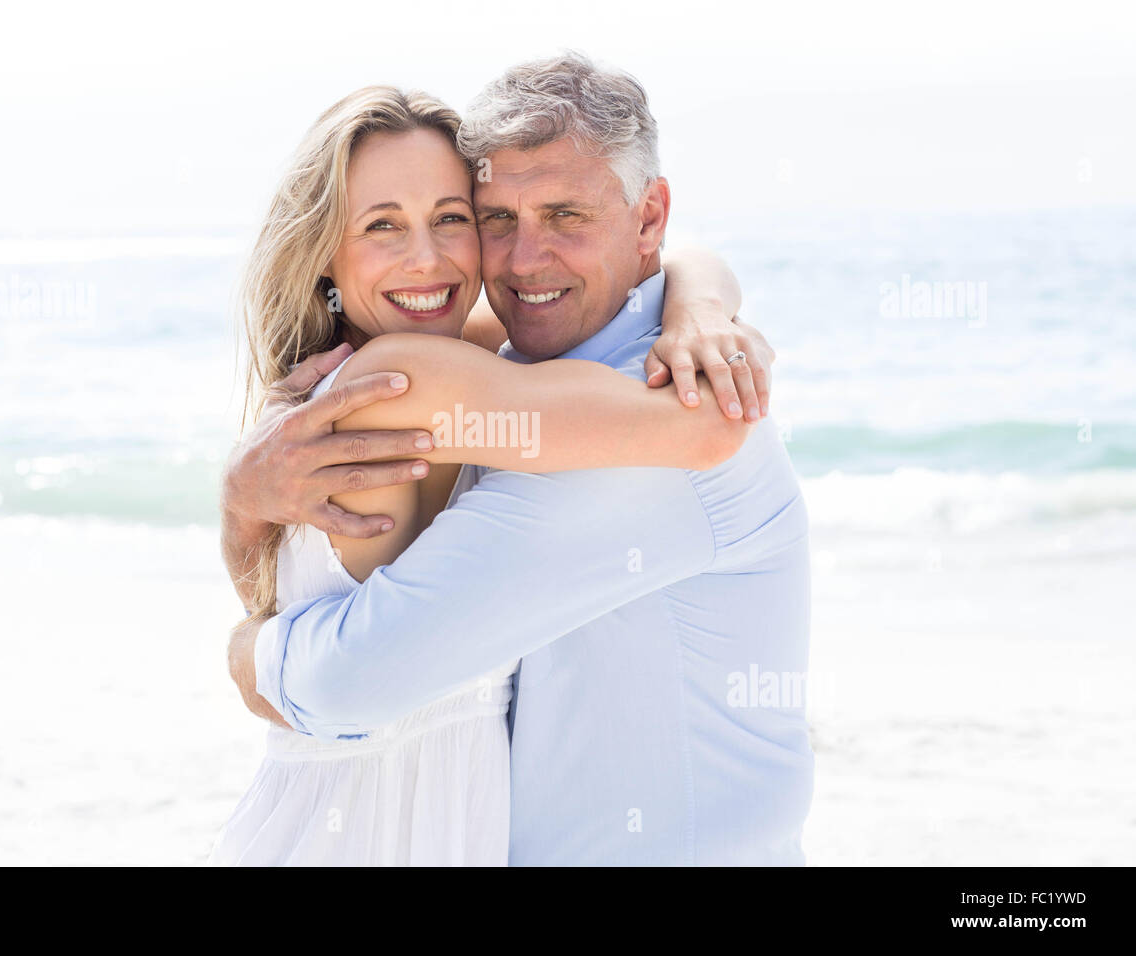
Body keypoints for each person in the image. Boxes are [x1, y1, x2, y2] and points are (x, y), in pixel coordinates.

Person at [220, 56, 804, 866]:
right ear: (325, 249)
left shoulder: (580, 387)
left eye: (565, 213)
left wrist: (248, 650)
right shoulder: (445, 373)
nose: (525, 260)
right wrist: (240, 524)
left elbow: (347, 680)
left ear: (647, 218)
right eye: (497, 218)